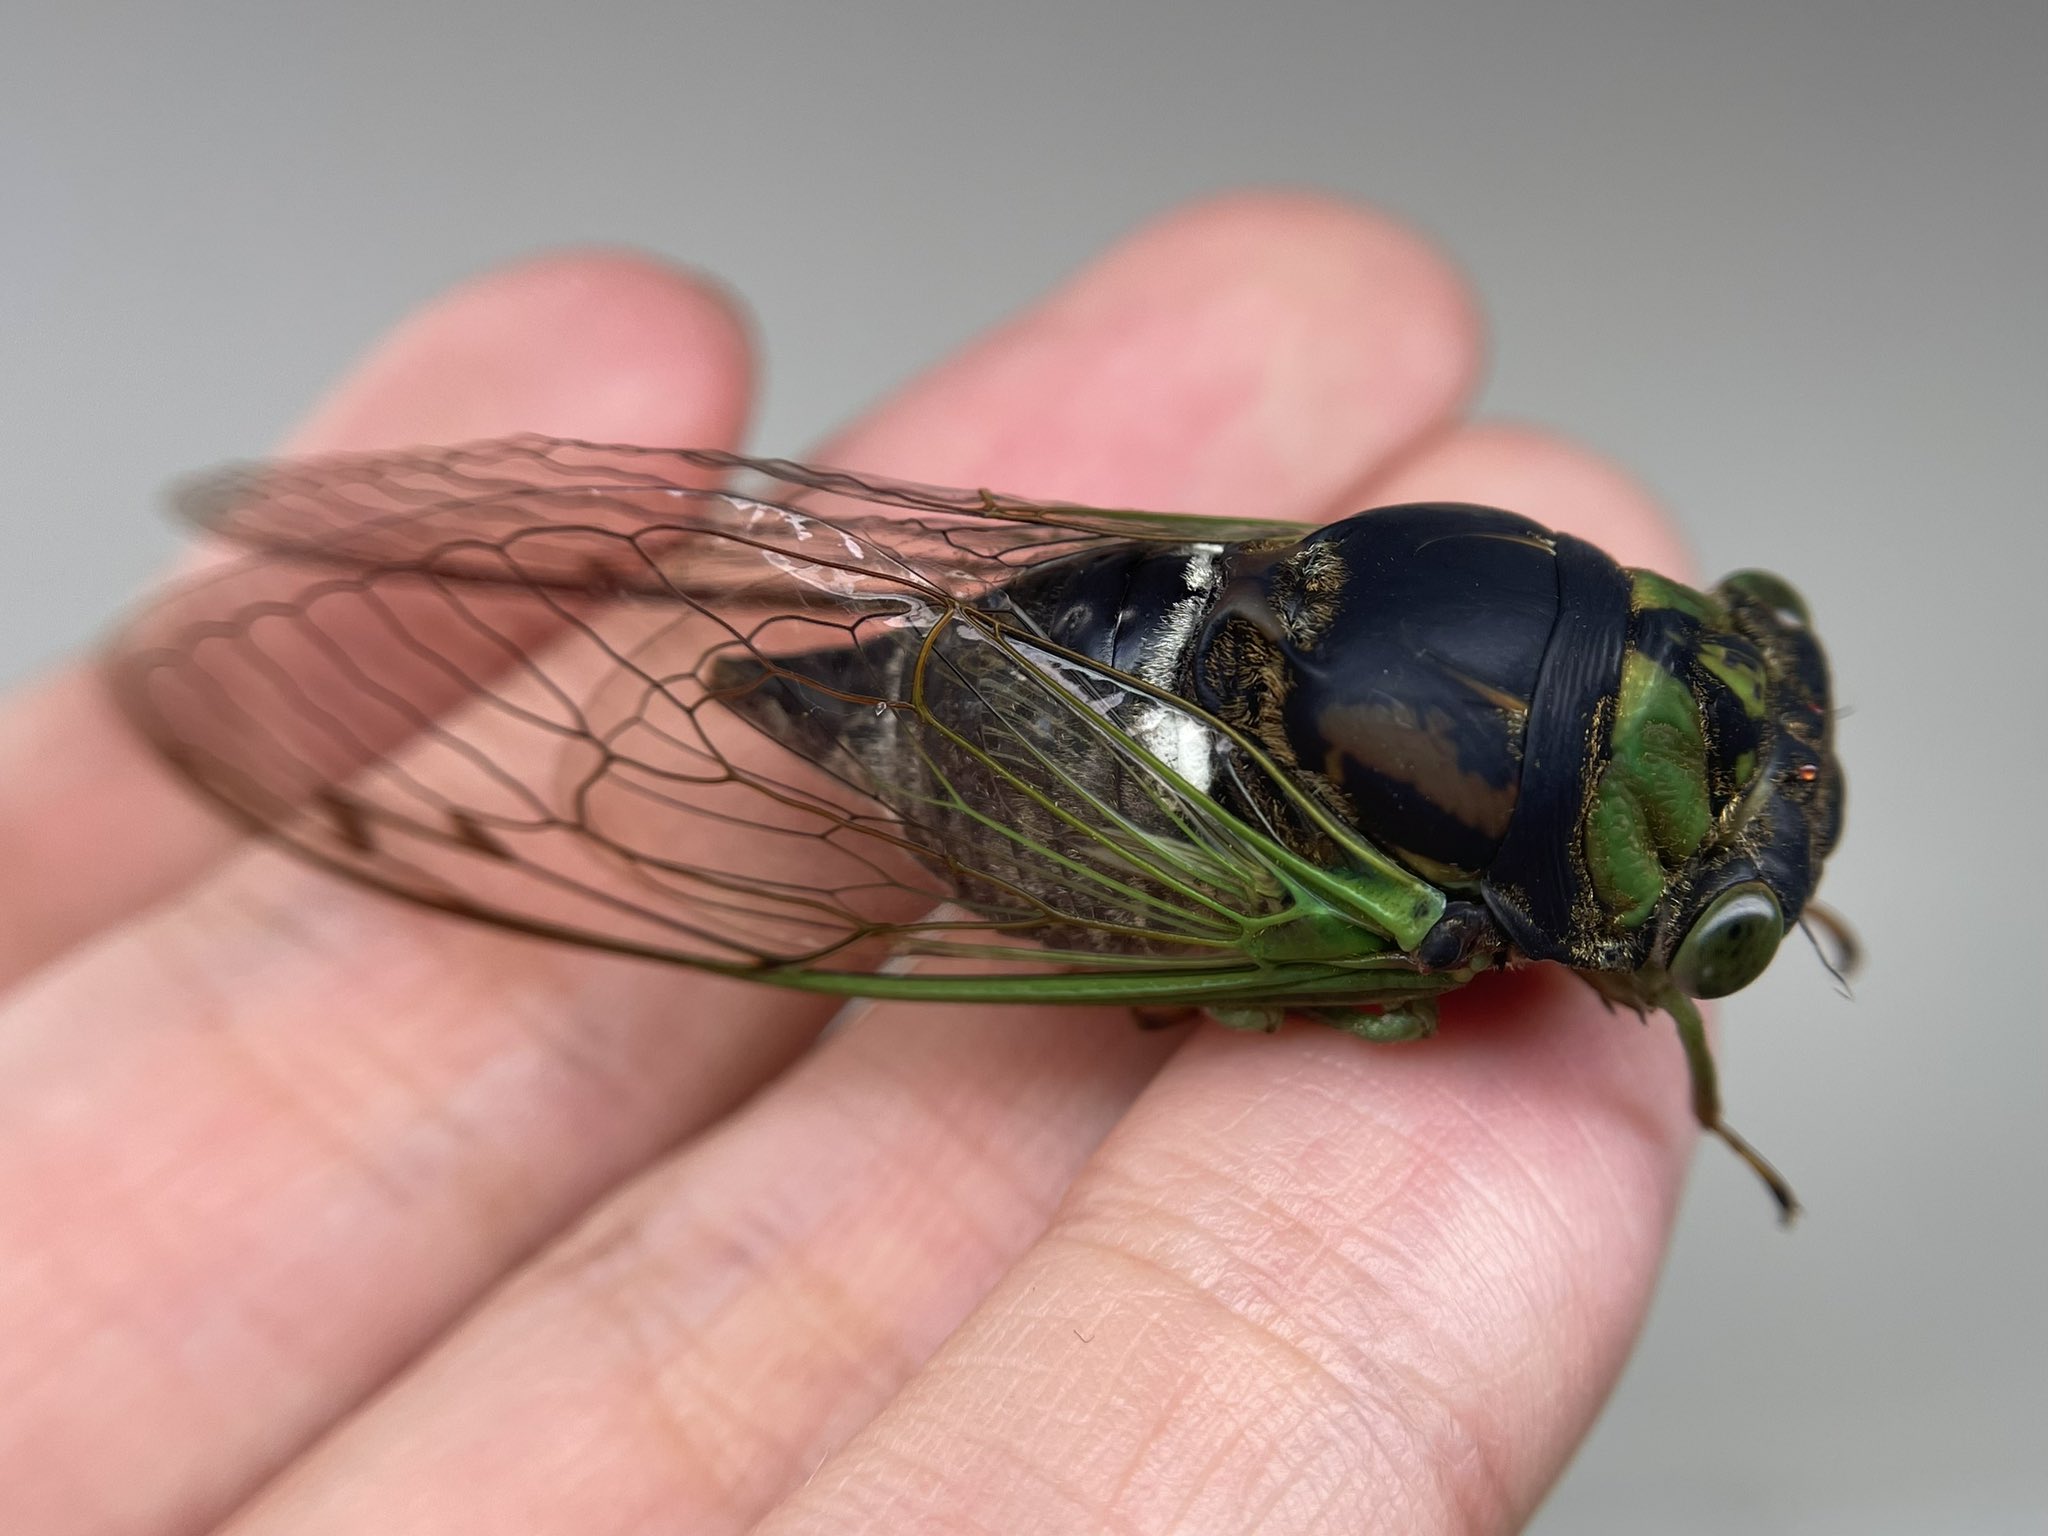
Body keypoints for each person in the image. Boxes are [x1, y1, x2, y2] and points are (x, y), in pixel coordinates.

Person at [0, 192, 1703, 1535]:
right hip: (1093, 792)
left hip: (1111, 615)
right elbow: (1395, 1002)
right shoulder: (1467, 926)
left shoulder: (1580, 638)